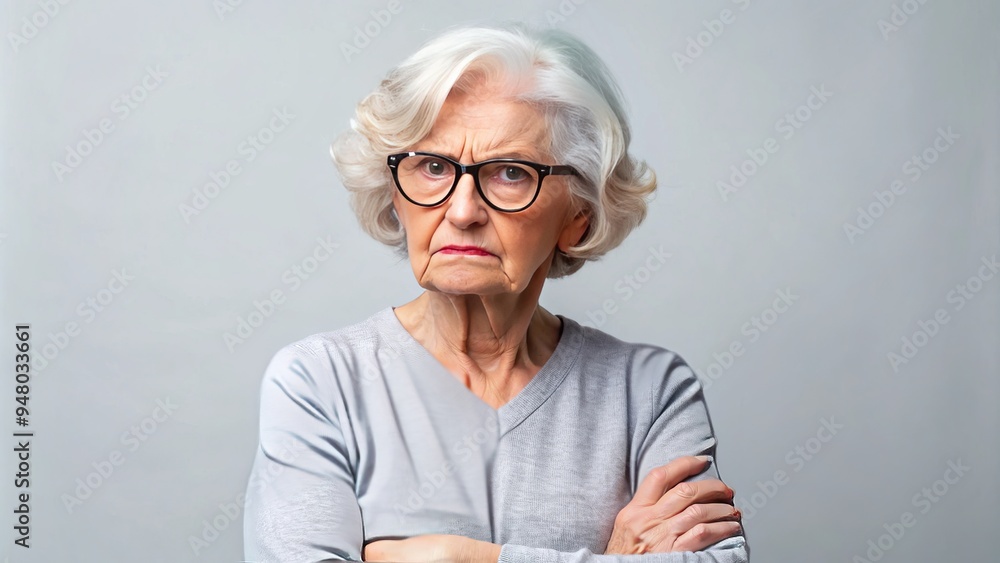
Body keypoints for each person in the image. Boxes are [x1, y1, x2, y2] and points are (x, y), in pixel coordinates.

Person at [243, 23, 749, 562]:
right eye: (432, 167)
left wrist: (460, 557)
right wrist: (616, 557)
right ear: (395, 195)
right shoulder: (319, 381)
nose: (462, 211)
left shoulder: (647, 390)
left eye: (511, 173)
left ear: (577, 216)